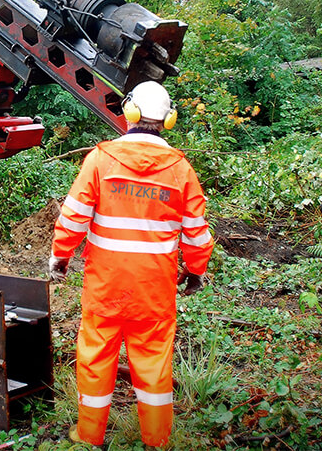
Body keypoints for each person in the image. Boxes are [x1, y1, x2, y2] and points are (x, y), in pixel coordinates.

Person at [48, 81, 213, 449]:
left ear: (130, 112)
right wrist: (196, 271)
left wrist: (61, 255)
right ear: (167, 120)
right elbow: (197, 234)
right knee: (154, 362)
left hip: (105, 287)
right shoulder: (180, 170)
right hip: (153, 290)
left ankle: (89, 435)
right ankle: (157, 441)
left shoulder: (100, 159)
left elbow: (74, 217)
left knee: (95, 357)